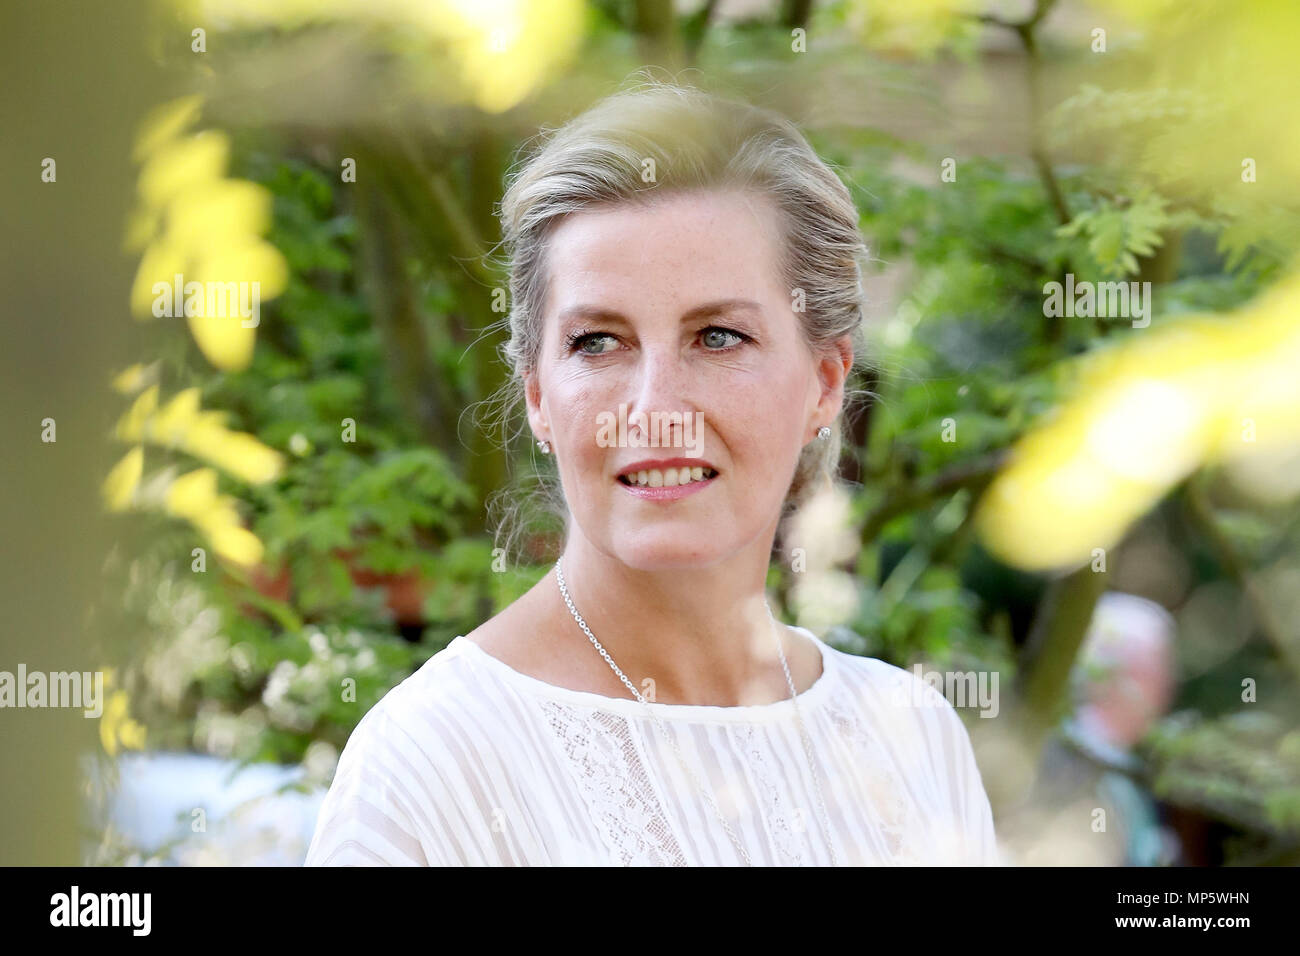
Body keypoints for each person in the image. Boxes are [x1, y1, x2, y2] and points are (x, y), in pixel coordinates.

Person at [305, 77, 999, 866]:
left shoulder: (912, 739)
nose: (654, 409)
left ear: (826, 382)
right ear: (537, 393)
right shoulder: (429, 764)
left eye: (718, 337)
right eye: (598, 342)